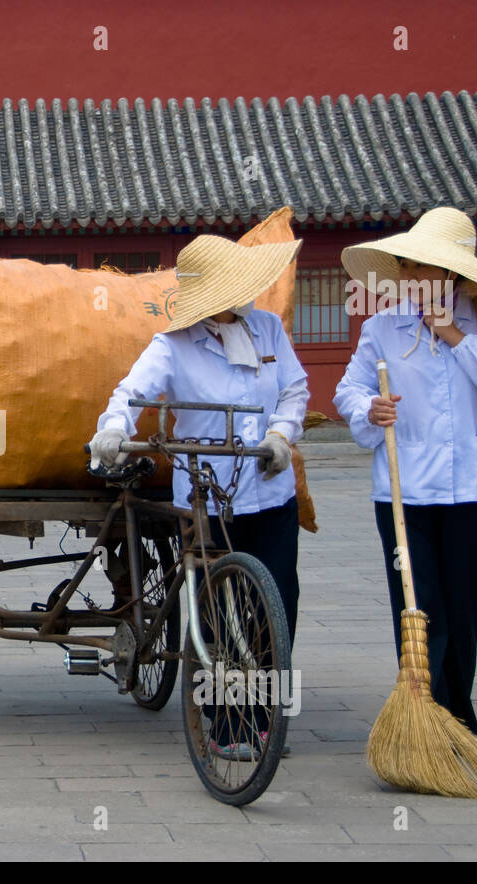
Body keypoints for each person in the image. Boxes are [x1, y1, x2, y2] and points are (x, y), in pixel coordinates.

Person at [89, 234, 308, 760]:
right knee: (218, 611)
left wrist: (281, 434)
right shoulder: (173, 345)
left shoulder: (269, 329)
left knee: (276, 606)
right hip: (206, 499)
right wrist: (114, 432)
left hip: (268, 492)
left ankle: (265, 719)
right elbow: (130, 394)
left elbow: (295, 390)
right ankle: (228, 725)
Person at [333, 207, 477, 743]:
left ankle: (457, 715)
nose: (413, 274)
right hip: (404, 493)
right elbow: (347, 390)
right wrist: (370, 409)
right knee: (418, 609)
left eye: (425, 266)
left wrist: (454, 335)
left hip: (472, 492)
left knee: (463, 608)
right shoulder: (382, 327)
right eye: (408, 264)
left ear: (452, 274)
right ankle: (428, 715)